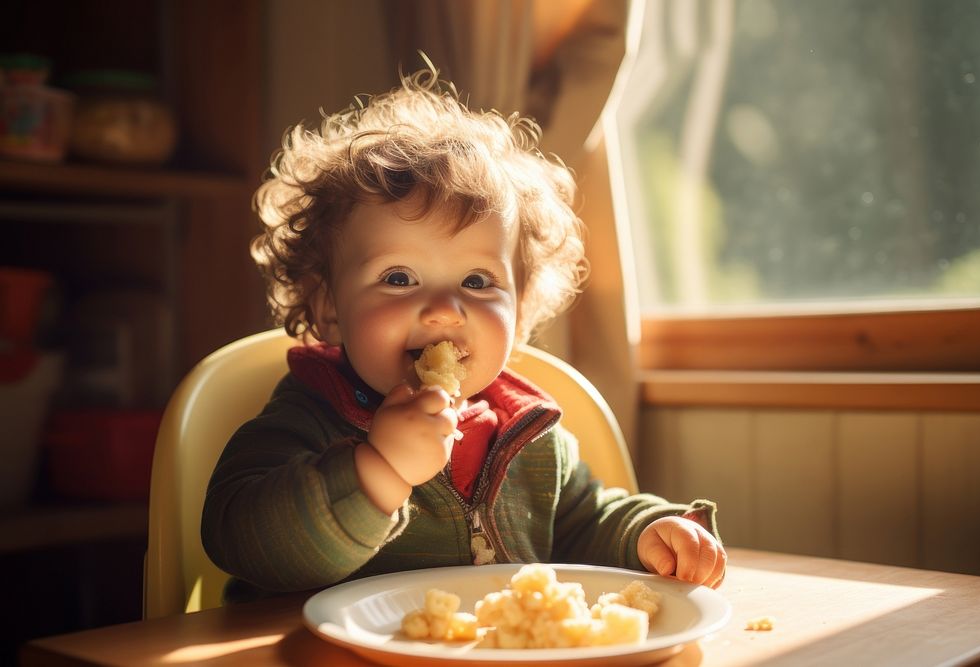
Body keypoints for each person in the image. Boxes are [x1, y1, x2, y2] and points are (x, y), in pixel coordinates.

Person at [201, 66, 726, 602]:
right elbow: (237, 535)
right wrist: (377, 473)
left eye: (477, 281)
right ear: (328, 306)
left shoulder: (529, 437)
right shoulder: (309, 416)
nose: (445, 310)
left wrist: (648, 533)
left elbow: (585, 523)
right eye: (399, 278)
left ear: (520, 314)